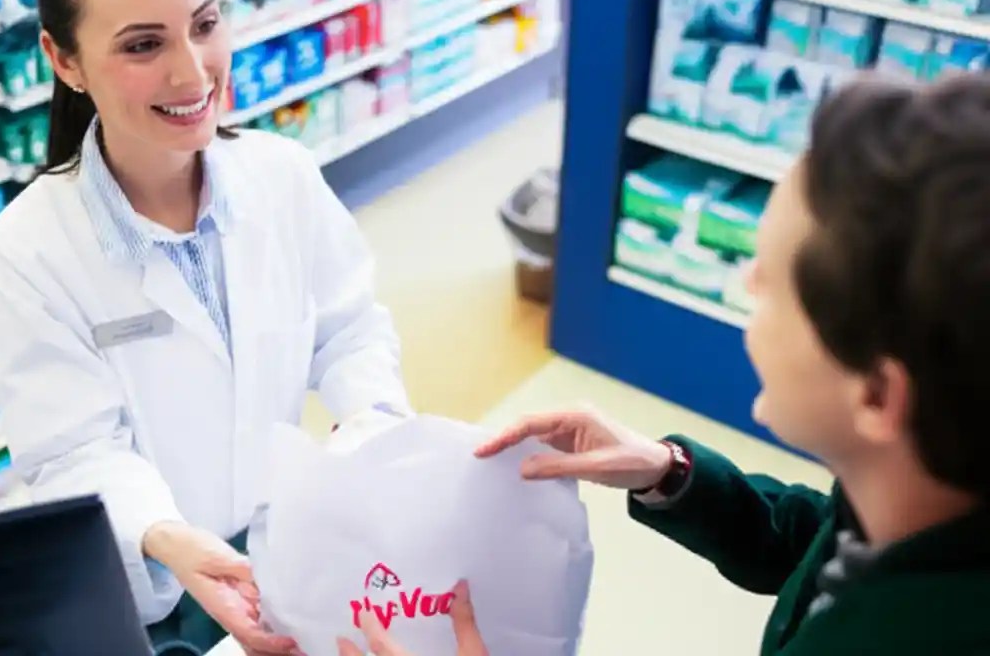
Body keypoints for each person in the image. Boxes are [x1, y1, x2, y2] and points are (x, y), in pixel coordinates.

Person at [353, 74, 990, 654]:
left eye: (770, 282)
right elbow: (816, 547)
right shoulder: (917, 506)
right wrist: (670, 473)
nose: (744, 284)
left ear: (877, 396)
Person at [0, 0, 411, 653]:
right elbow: (73, 451)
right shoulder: (30, 246)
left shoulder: (283, 176)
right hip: (154, 580)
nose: (192, 71)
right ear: (64, 61)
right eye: (144, 45)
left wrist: (372, 429)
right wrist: (165, 535)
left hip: (288, 547)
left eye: (205, 25)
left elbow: (350, 332)